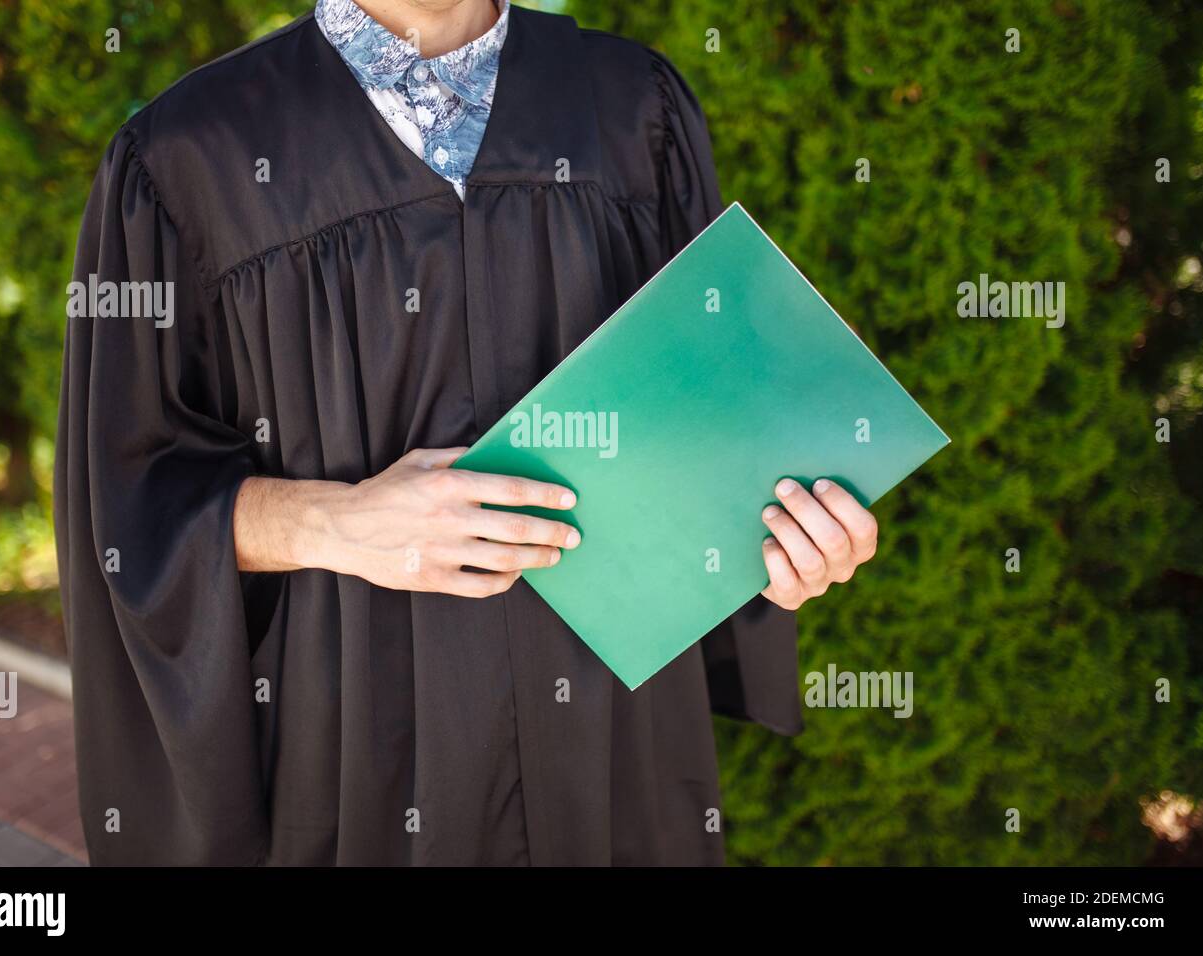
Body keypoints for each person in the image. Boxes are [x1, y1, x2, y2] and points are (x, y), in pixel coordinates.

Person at [56, 0, 879, 866]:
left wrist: (774, 547)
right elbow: (129, 514)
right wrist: (334, 522)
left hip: (617, 755)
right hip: (348, 767)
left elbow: (711, 427)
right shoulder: (190, 157)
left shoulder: (636, 109)